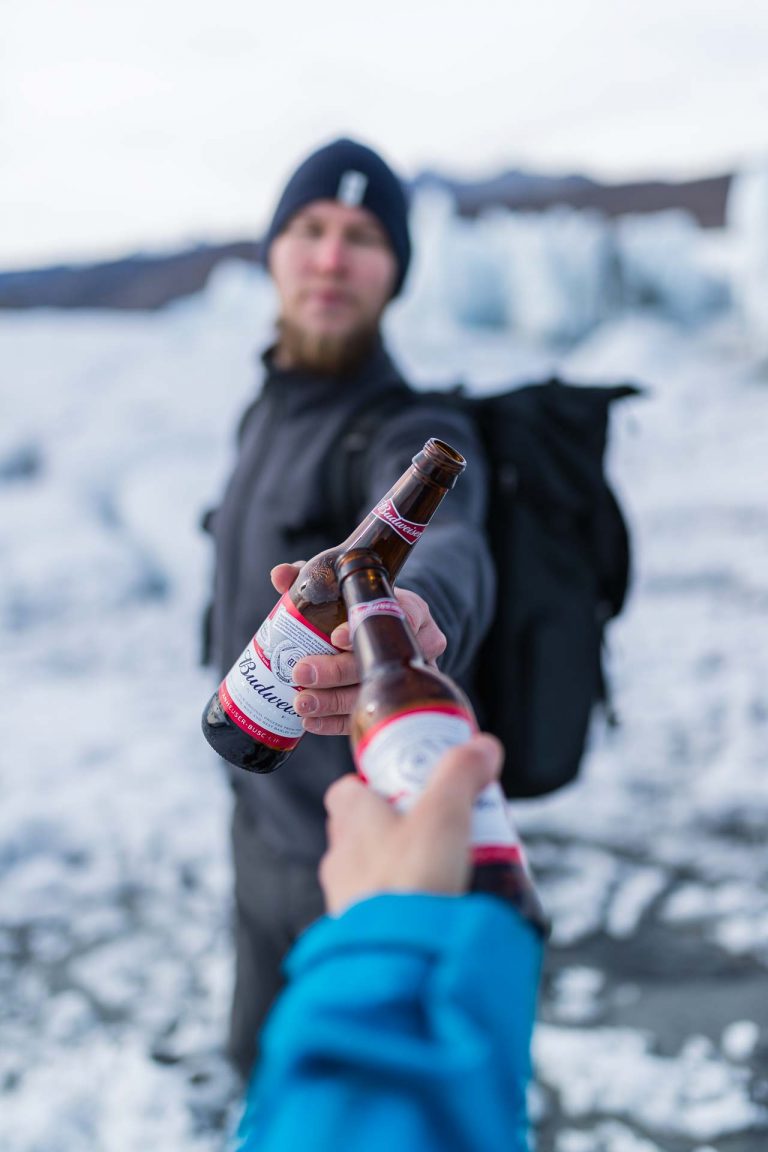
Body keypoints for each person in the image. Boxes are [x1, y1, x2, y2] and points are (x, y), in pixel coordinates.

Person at [206, 137, 494, 1076]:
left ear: (396, 272)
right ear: (275, 248)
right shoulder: (268, 408)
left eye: (365, 237)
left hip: (360, 858)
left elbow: (456, 543)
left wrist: (413, 607)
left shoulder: (410, 427)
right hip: (257, 825)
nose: (332, 257)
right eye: (312, 227)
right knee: (258, 1070)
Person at [232, 734, 543, 1152]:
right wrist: (396, 936)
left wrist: (387, 937)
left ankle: (266, 1091)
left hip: (325, 855)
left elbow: (355, 1115)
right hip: (296, 842)